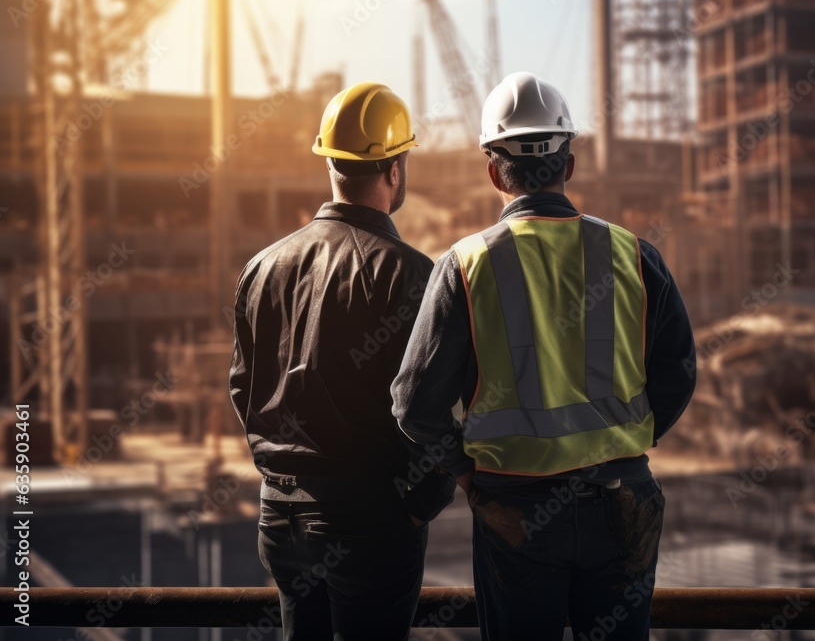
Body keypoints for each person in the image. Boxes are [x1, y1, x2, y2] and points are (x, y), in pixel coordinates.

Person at [391, 72, 697, 640]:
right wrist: (628, 441)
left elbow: (413, 403)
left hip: (515, 509)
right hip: (622, 499)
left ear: (491, 170)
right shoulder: (633, 255)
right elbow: (680, 371)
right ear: (569, 165)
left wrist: (466, 475)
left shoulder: (464, 265)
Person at [230, 82, 454, 641]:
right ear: (395, 168)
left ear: (329, 160)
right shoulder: (409, 274)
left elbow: (242, 389)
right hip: (370, 523)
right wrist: (421, 504)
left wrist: (279, 477)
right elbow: (429, 406)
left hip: (280, 520)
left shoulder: (261, 268)